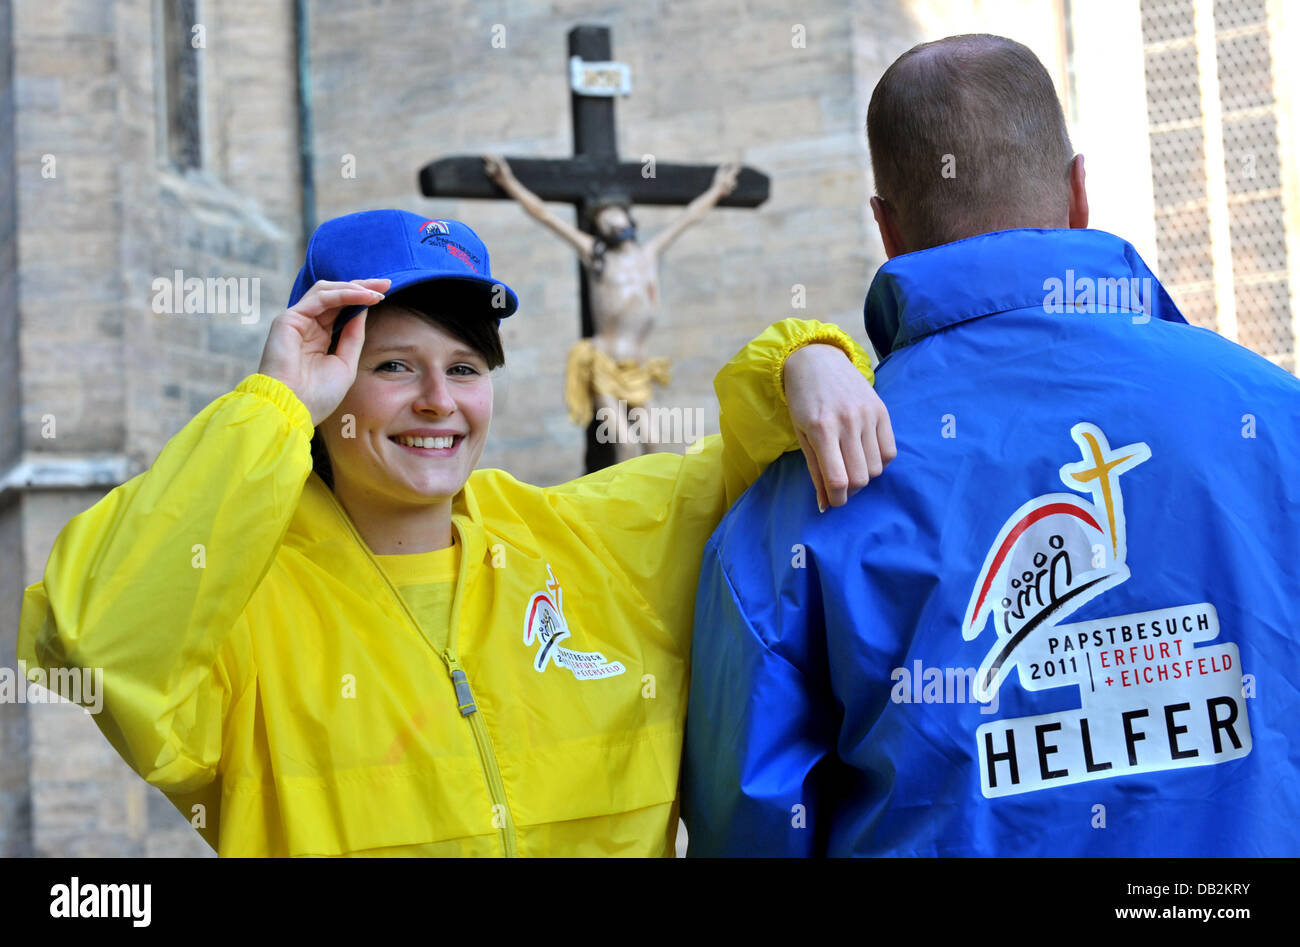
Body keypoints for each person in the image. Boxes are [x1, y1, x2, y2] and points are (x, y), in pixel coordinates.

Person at [17, 208, 894, 857]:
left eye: (465, 368)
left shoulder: (585, 540)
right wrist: (271, 407)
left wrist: (806, 356)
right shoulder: (242, 607)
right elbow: (94, 635)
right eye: (393, 366)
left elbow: (752, 458)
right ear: (327, 391)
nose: (438, 401)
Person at [681, 34, 1300, 856]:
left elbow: (751, 825)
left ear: (886, 228)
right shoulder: (1276, 419)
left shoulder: (798, 503)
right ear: (1081, 191)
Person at [484, 154, 741, 460]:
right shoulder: (596, 254)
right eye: (602, 220)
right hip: (605, 360)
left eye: (614, 215)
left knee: (654, 443)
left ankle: (659, 503)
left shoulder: (649, 254)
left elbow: (688, 218)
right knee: (624, 442)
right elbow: (545, 216)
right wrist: (508, 181)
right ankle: (624, 502)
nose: (610, 222)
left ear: (630, 219)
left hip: (636, 365)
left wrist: (718, 189)